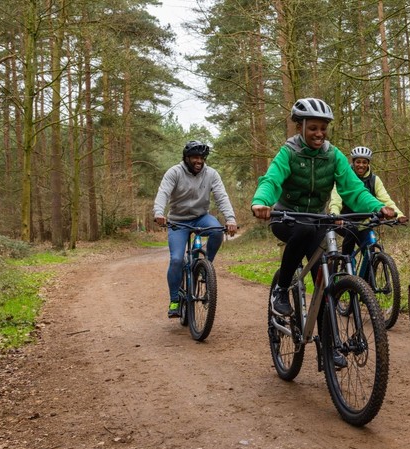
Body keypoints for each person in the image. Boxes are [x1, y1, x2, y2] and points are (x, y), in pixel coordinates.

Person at [251, 98, 395, 319]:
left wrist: (378, 206)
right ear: (300, 127)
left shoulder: (333, 155)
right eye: (313, 128)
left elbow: (354, 188)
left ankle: (327, 339)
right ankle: (281, 289)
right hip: (286, 217)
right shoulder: (288, 152)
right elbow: (271, 180)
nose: (319, 133)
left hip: (317, 219)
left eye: (323, 128)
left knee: (324, 283)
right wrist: (261, 202)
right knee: (304, 230)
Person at [154, 140, 237, 318]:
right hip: (178, 221)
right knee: (177, 260)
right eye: (195, 157)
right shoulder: (174, 172)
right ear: (186, 158)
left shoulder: (211, 174)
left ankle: (205, 267)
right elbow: (163, 192)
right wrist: (159, 213)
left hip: (201, 217)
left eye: (202, 158)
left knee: (217, 230)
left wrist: (230, 218)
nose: (199, 161)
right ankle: (175, 300)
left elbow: (221, 196)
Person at [327, 146, 408, 257]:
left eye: (364, 162)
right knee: (351, 232)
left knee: (371, 252)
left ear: (368, 163)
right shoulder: (344, 178)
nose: (361, 165)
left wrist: (399, 214)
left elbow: (386, 200)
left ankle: (370, 266)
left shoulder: (374, 180)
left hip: (364, 223)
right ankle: (346, 262)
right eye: (358, 162)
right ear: (353, 162)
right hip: (344, 221)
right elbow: (336, 200)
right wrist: (335, 215)